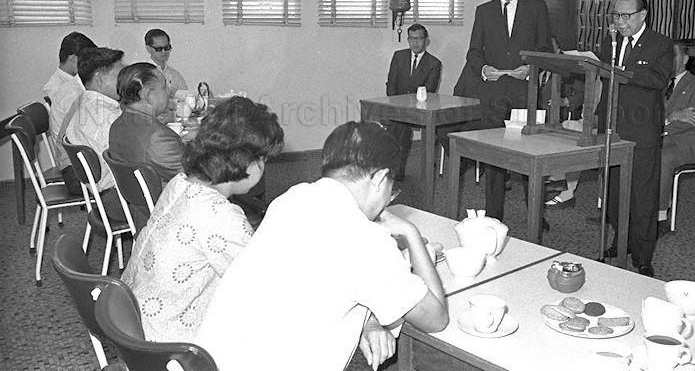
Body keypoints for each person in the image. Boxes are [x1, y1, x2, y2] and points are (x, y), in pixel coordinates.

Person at [196, 121, 448, 371]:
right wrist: (411, 233)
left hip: (208, 362)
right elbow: (436, 318)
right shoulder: (365, 240)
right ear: (381, 178)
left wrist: (371, 320)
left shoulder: (290, 199)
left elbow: (321, 281)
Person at [121, 97, 284, 343]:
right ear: (246, 163)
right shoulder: (221, 216)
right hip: (171, 342)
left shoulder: (180, 182)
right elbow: (261, 286)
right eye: (264, 159)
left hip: (135, 318)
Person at [466, 0, 552, 221]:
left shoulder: (537, 8)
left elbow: (546, 50)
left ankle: (535, 213)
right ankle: (494, 215)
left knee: (530, 155)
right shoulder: (484, 11)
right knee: (494, 158)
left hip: (524, 93)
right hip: (493, 93)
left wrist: (531, 68)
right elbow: (473, 52)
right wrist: (483, 69)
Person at [598, 0, 674, 277]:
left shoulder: (661, 44)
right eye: (616, 15)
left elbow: (657, 79)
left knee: (642, 194)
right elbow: (605, 80)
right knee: (615, 190)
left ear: (643, 15)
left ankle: (643, 255)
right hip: (614, 126)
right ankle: (621, 243)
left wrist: (622, 71)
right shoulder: (612, 41)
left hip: (643, 130)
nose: (620, 21)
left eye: (626, 16)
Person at [108, 62, 185, 230]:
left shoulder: (117, 125)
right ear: (148, 95)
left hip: (141, 213)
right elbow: (195, 180)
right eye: (164, 88)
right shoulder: (158, 137)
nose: (168, 93)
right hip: (169, 218)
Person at [63, 47, 126, 220]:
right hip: (119, 200)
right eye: (120, 75)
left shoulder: (85, 105)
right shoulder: (107, 118)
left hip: (103, 195)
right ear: (99, 78)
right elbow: (133, 160)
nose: (125, 80)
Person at [658, 43, 695, 231]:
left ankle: (660, 217)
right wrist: (670, 117)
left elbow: (691, 120)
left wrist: (663, 122)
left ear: (685, 59)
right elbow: (649, 114)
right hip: (660, 138)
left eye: (674, 56)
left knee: (662, 157)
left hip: (686, 144)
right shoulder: (660, 84)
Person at [385, 23, 442, 179]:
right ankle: (390, 169)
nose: (415, 43)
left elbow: (428, 90)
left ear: (426, 40)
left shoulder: (434, 63)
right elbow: (391, 84)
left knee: (399, 128)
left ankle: (394, 171)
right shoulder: (399, 56)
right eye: (411, 38)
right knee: (394, 127)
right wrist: (395, 106)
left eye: (419, 39)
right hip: (397, 106)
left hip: (418, 108)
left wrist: (407, 108)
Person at [43, 32, 96, 194]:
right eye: (88, 60)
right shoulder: (59, 89)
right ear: (74, 59)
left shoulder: (73, 82)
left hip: (75, 147)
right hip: (72, 155)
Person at [145, 28, 187, 99]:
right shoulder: (142, 73)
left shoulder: (175, 75)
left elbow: (185, 99)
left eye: (166, 47)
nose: (164, 52)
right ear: (148, 48)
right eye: (159, 49)